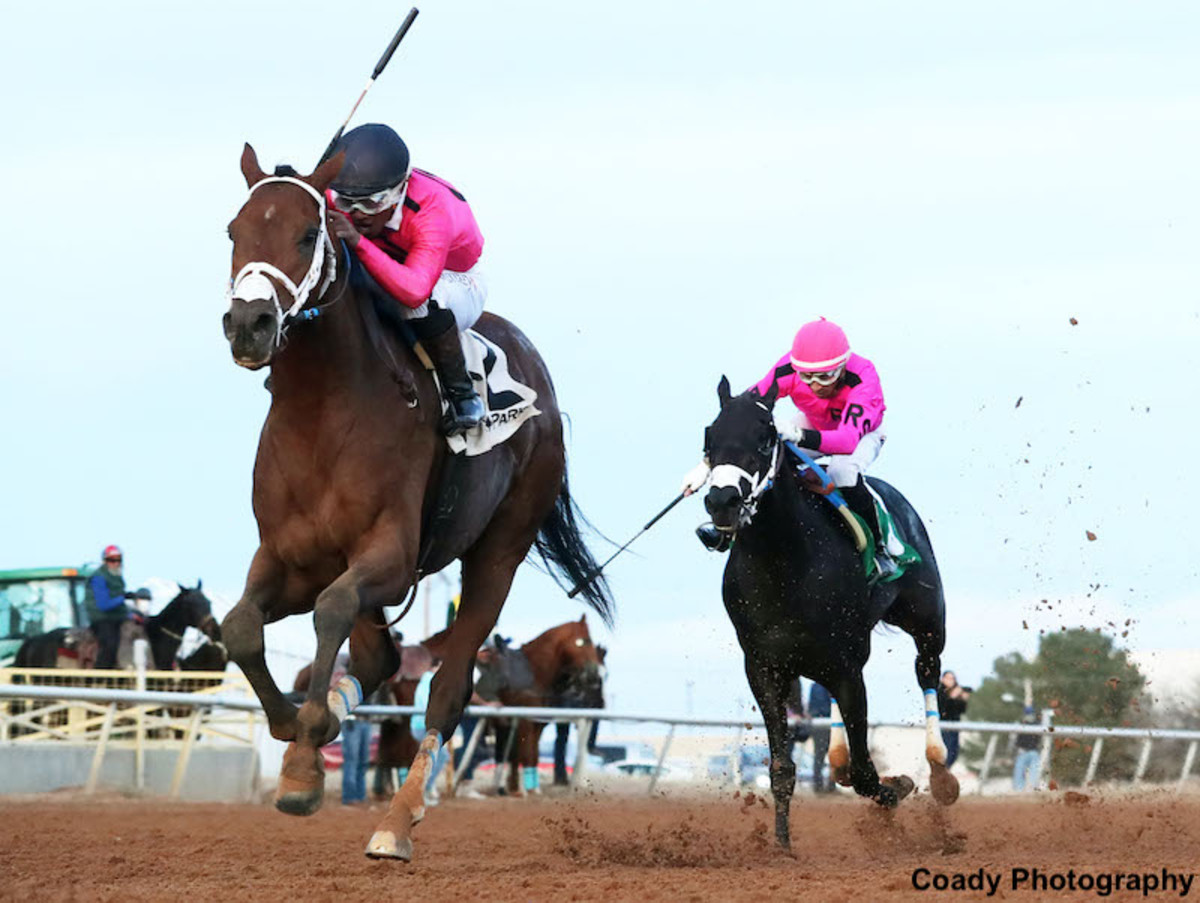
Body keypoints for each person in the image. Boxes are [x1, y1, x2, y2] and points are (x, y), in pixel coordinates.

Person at [683, 318, 892, 573]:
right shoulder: (786, 369)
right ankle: (727, 531)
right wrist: (707, 465)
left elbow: (846, 441)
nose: (815, 385)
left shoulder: (863, 379)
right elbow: (744, 410)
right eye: (806, 376)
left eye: (825, 377)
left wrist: (797, 435)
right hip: (814, 423)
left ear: (842, 367)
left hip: (861, 433)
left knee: (842, 473)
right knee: (767, 454)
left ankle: (881, 547)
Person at [324, 123, 486, 437]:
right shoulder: (343, 194)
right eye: (346, 203)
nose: (357, 213)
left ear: (400, 189)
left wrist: (357, 241)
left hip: (454, 279)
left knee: (419, 302)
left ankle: (463, 394)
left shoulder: (431, 210)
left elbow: (414, 291)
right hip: (392, 264)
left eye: (371, 203)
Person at [84, 545, 135, 669]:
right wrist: (123, 597)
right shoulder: (98, 578)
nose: (116, 563)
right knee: (110, 645)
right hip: (103, 619)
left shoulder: (117, 577)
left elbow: (120, 603)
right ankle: (99, 676)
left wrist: (132, 614)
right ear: (105, 561)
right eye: (112, 560)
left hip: (118, 617)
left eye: (118, 560)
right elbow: (103, 605)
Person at [332, 652, 371, 806]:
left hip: (363, 721)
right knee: (353, 760)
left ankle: (359, 795)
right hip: (353, 722)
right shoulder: (346, 681)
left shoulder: (365, 679)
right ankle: (350, 796)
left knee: (361, 760)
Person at [937, 670, 972, 768]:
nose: (951, 681)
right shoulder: (940, 691)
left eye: (953, 679)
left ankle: (945, 771)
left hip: (954, 726)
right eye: (948, 678)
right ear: (943, 679)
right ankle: (942, 772)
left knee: (954, 752)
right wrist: (952, 697)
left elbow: (961, 711)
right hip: (944, 725)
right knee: (945, 751)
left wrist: (963, 699)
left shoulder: (955, 692)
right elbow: (942, 708)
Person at [807, 681, 834, 793]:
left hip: (821, 722)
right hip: (825, 723)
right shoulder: (824, 685)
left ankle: (820, 785)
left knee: (820, 755)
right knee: (823, 755)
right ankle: (825, 785)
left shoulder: (815, 686)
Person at [1012, 706, 1042, 792]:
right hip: (1023, 751)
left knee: (1034, 773)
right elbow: (1015, 740)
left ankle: (1031, 790)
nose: (1029, 716)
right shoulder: (1021, 724)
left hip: (1033, 752)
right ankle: (1019, 791)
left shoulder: (1037, 725)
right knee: (1019, 772)